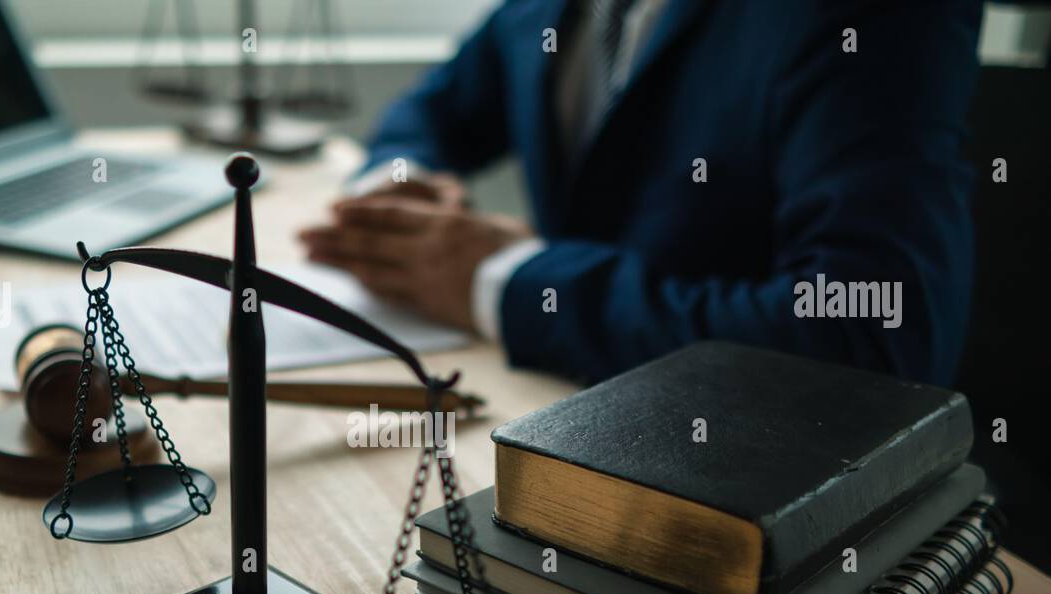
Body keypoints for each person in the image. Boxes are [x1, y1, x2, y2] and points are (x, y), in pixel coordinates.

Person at [298, 0, 984, 385]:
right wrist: (396, 186)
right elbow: (433, 111)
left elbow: (876, 338)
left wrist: (501, 278)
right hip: (549, 414)